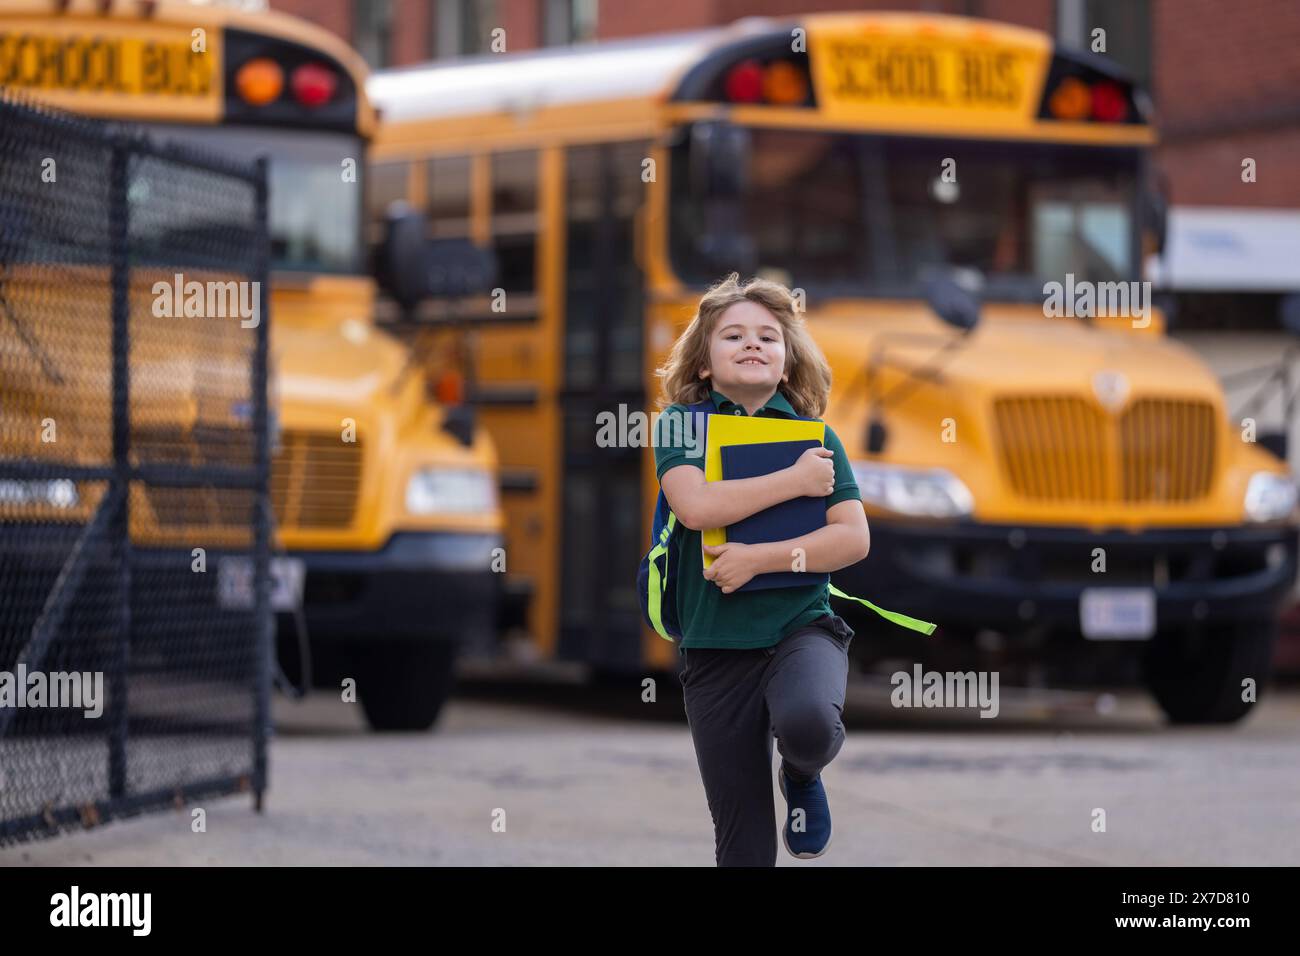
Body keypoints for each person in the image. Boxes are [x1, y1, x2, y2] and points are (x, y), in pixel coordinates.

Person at [652, 272, 869, 866]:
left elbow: (852, 539)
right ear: (703, 364)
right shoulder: (678, 427)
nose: (753, 344)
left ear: (787, 360)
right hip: (714, 648)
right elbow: (696, 507)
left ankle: (800, 775)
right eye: (733, 336)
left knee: (808, 728)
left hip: (801, 628)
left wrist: (760, 560)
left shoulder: (818, 436)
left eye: (769, 337)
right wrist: (796, 481)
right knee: (743, 845)